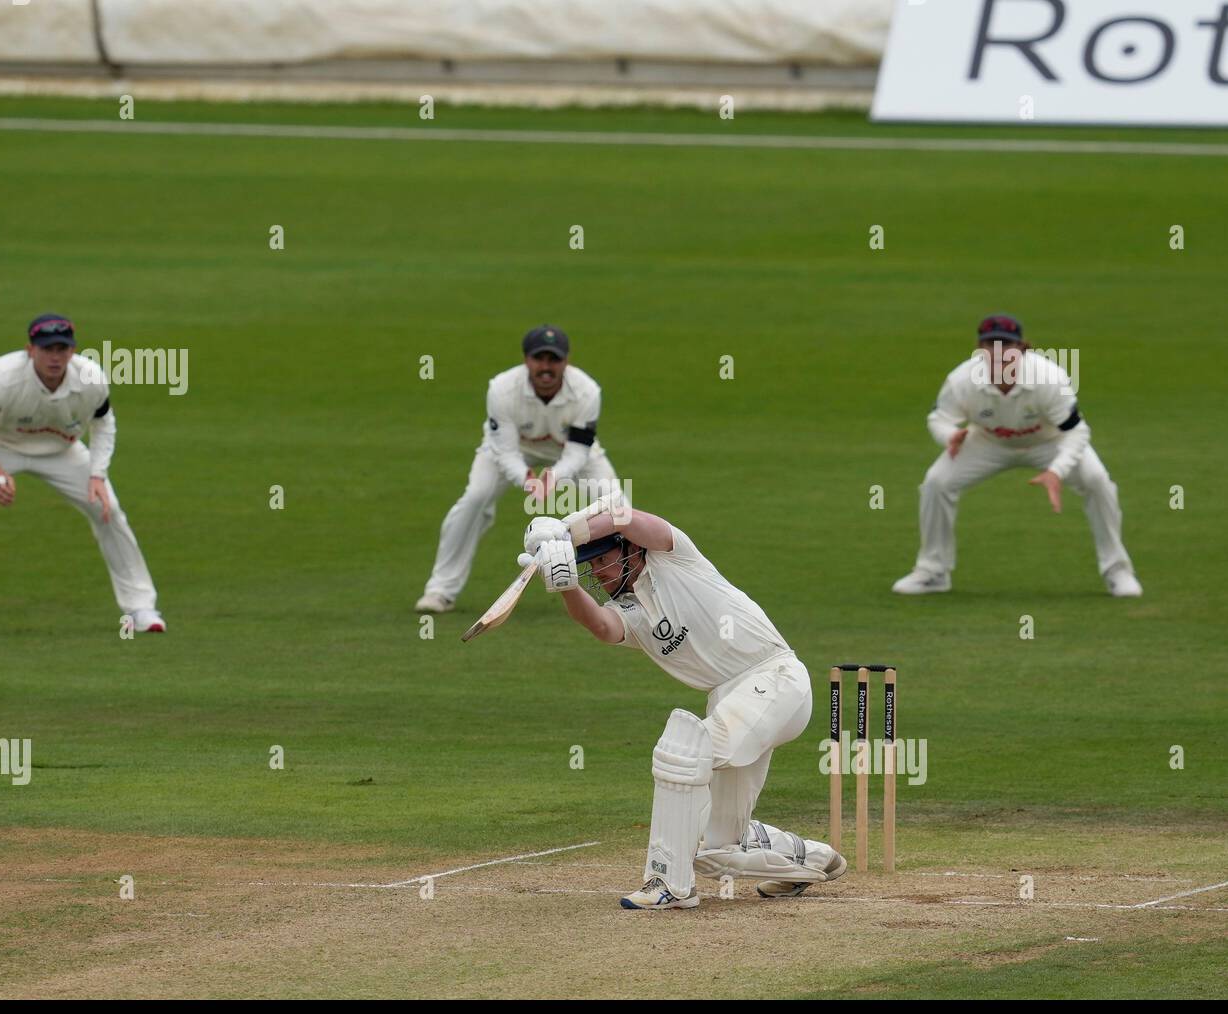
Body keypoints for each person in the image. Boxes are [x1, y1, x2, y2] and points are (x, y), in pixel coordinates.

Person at [522, 497, 845, 909]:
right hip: (731, 699)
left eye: (603, 559)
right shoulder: (631, 611)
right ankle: (813, 860)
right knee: (717, 850)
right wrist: (565, 585)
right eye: (589, 566)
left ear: (629, 548)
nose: (598, 573)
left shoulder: (676, 558)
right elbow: (601, 627)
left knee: (683, 749)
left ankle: (667, 884)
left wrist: (569, 532)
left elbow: (630, 517)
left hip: (774, 679)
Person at [0, 314, 165, 635]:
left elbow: (103, 423)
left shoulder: (91, 378)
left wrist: (97, 475)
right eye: (46, 349)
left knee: (108, 509)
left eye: (61, 349)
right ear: (30, 350)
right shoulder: (1, 377)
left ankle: (141, 607)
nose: (55, 357)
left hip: (62, 452)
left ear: (72, 350)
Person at [892, 314, 1141, 597]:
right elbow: (938, 418)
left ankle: (1117, 570)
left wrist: (1056, 471)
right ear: (979, 348)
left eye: (1006, 344)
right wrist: (950, 436)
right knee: (937, 482)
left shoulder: (1049, 377)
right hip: (988, 442)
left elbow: (1077, 432)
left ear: (1022, 348)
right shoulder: (961, 379)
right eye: (990, 344)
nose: (998, 352)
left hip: (1049, 442)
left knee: (1097, 480)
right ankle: (933, 572)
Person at [414, 324, 618, 613]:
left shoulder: (587, 391)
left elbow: (578, 450)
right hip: (512, 450)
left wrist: (554, 476)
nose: (546, 367)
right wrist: (526, 479)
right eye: (539, 359)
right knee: (475, 497)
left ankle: (629, 587)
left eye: (554, 360)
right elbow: (505, 450)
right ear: (527, 360)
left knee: (616, 505)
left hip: (567, 451)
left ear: (566, 361)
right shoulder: (501, 388)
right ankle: (440, 590)